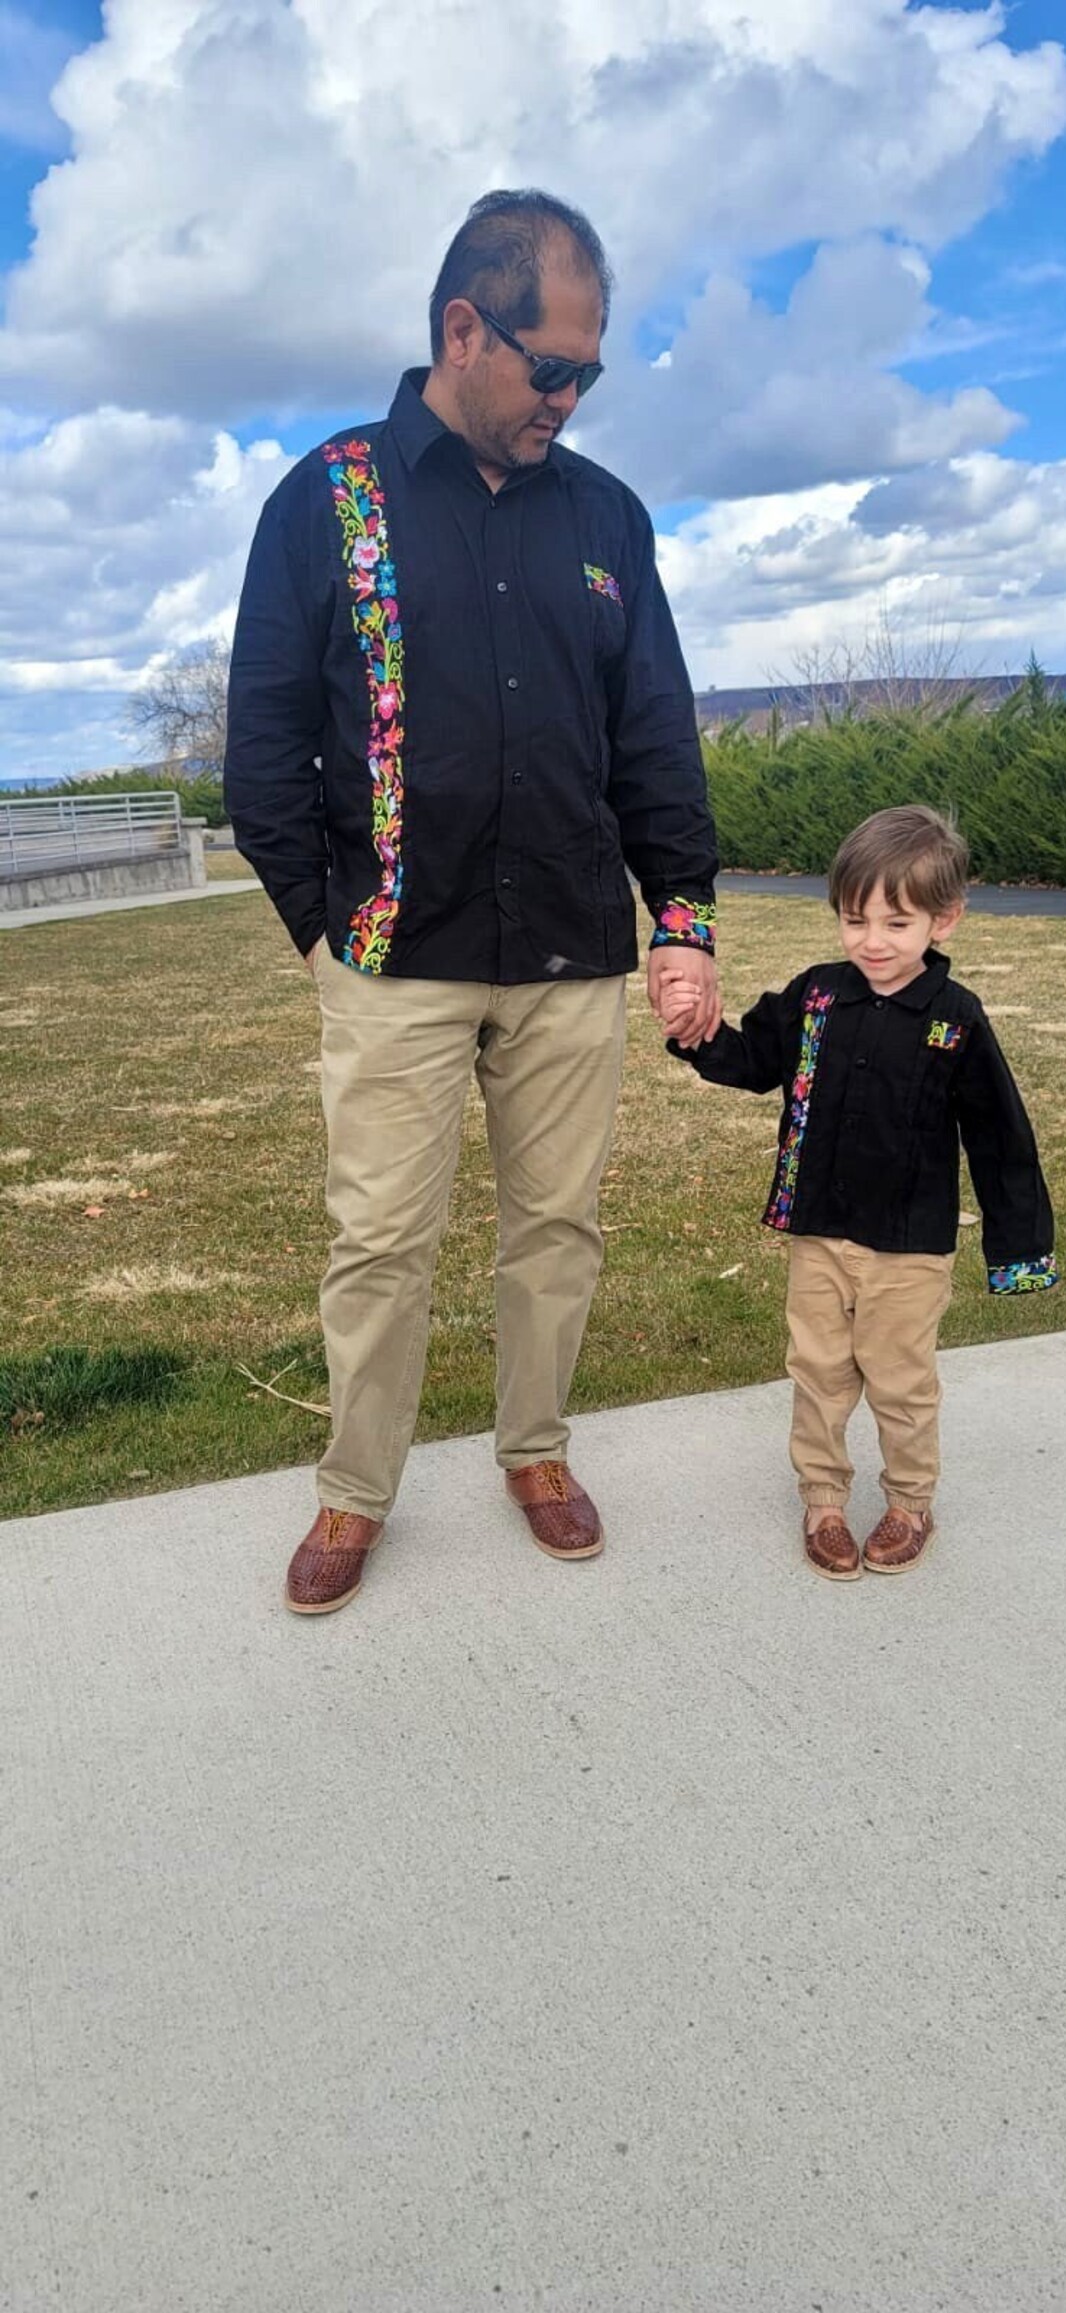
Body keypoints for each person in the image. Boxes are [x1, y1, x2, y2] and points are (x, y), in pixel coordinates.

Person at [224, 188, 721, 1614]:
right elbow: (264, 743)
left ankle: (537, 1452)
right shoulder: (328, 500)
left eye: (589, 373)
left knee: (556, 1232)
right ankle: (355, 1491)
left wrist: (680, 912)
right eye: (549, 366)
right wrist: (321, 924)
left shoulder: (610, 519)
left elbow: (655, 737)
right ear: (463, 329)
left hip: (572, 951)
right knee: (381, 1240)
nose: (567, 397)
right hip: (390, 957)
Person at [657, 805, 1057, 1579]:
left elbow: (1002, 1140)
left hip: (908, 1247)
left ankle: (909, 1502)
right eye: (854, 918)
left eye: (896, 922)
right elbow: (752, 1059)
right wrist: (696, 1034)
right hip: (820, 1233)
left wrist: (1019, 1250)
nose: (872, 940)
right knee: (819, 1371)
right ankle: (823, 1498)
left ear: (945, 921)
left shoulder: (957, 1021)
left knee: (901, 1381)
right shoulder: (815, 998)